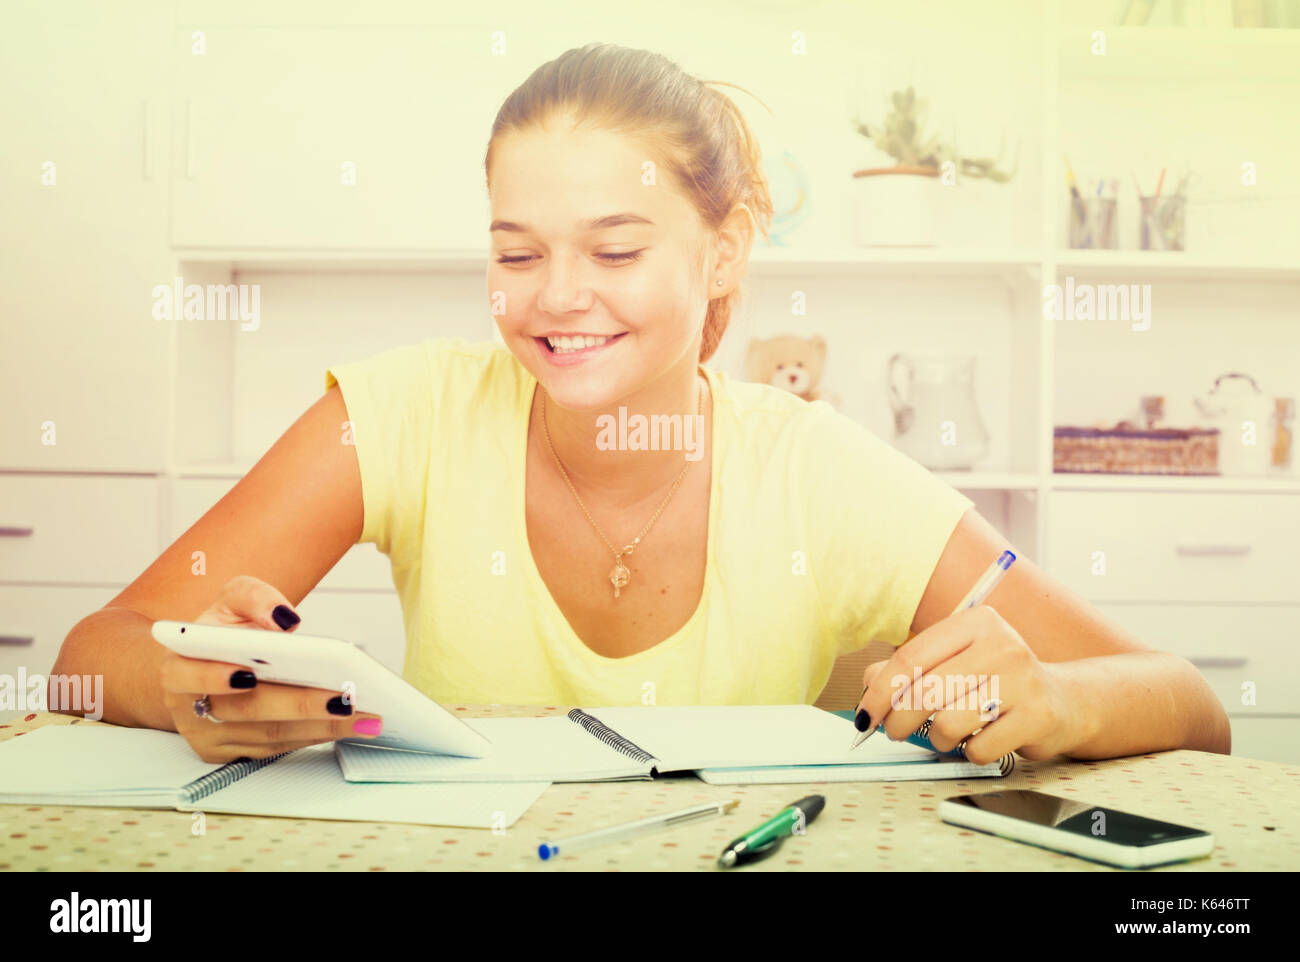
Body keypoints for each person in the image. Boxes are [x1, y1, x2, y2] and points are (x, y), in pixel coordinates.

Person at [51, 43, 1229, 764]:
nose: (555, 300)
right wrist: (197, 682)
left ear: (722, 254)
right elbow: (89, 653)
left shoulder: (814, 470)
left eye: (614, 251)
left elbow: (1189, 705)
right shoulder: (400, 412)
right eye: (517, 254)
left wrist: (1050, 698)